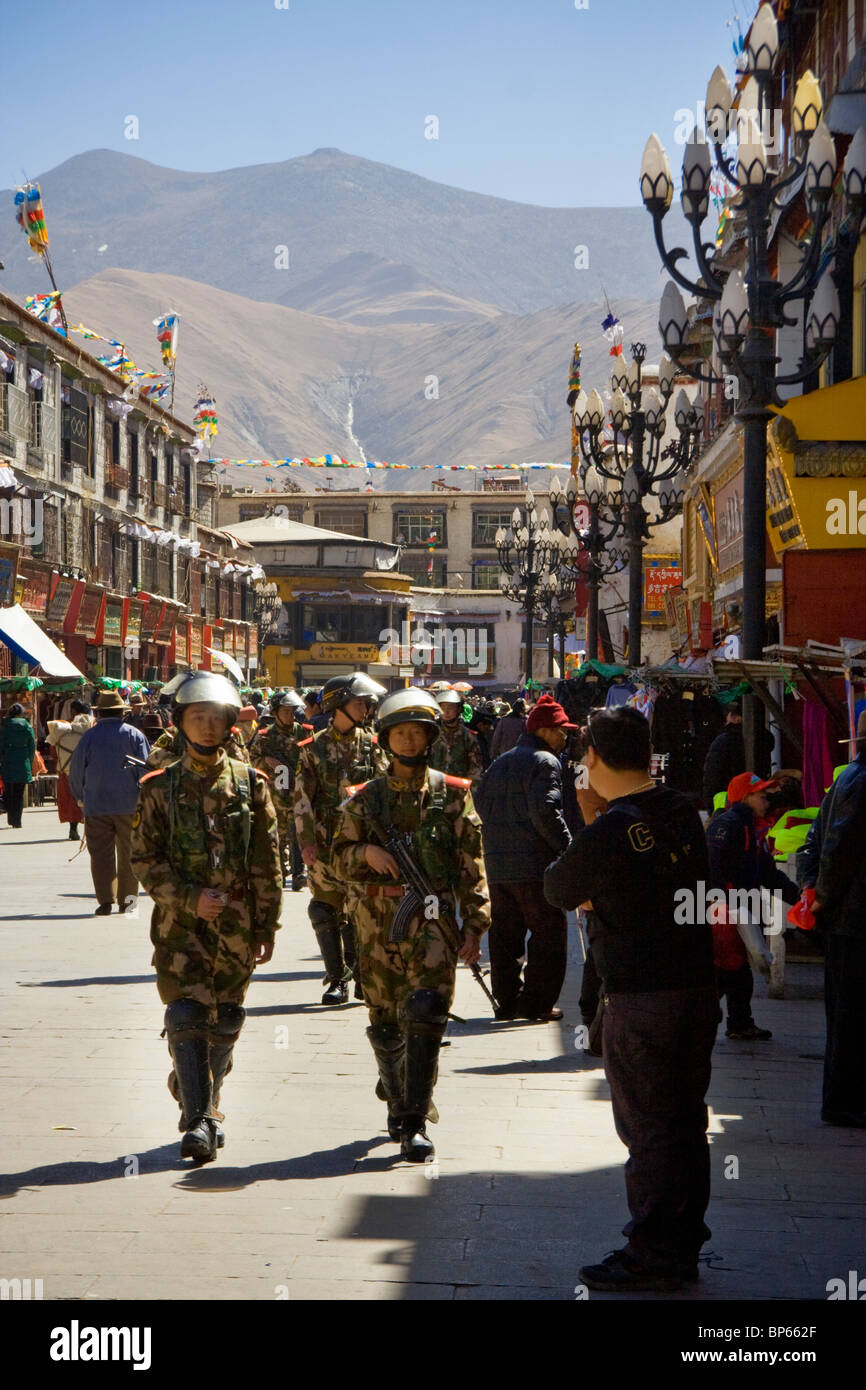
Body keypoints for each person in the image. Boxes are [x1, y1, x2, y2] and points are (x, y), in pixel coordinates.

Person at [544, 706, 720, 1292]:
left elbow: (559, 886)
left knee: (648, 1126)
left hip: (642, 998)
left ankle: (651, 1251)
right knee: (685, 1120)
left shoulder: (614, 829)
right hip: (696, 989)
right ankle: (682, 1238)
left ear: (592, 758)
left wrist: (592, 822)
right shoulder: (677, 808)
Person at [130, 671, 283, 1163]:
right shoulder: (158, 787)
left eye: (215, 719)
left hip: (237, 925)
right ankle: (198, 1120)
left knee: (228, 1020)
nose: (208, 727)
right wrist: (188, 898)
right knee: (187, 1014)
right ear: (181, 724)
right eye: (197, 718)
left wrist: (266, 925)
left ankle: (203, 1095)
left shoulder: (251, 785)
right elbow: (144, 859)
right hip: (180, 925)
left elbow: (268, 860)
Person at [332, 688, 490, 1161]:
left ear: (428, 739)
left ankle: (414, 1119)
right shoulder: (364, 799)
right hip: (378, 922)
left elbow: (471, 863)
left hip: (434, 921)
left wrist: (476, 924)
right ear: (385, 739)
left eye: (415, 733)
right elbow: (339, 859)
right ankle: (397, 1093)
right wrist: (367, 852)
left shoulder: (454, 794)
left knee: (425, 1011)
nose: (407, 741)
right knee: (385, 1021)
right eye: (399, 733)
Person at [474, 693, 573, 1022]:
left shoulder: (501, 761)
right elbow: (546, 811)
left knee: (505, 936)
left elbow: (481, 806)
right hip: (534, 867)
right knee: (548, 936)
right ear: (545, 730)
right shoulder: (546, 761)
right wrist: (569, 851)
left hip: (499, 867)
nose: (565, 736)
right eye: (561, 730)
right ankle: (536, 1004)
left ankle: (507, 1002)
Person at [294, 672, 388, 1004]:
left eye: (367, 703)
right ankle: (337, 980)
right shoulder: (312, 748)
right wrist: (305, 842)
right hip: (323, 845)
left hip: (363, 846)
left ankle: (361, 976)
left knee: (360, 911)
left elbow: (385, 793)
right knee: (324, 909)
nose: (366, 708)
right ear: (338, 704)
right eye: (359, 702)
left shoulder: (374, 746)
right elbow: (302, 799)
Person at [798, 711, 866, 1127]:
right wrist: (820, 898)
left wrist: (815, 895)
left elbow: (814, 845)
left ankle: (845, 1099)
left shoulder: (848, 778)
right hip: (854, 919)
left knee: (848, 1015)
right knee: (851, 1017)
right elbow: (836, 848)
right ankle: (843, 1103)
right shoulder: (859, 781)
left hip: (847, 918)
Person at [706, 772, 798, 1042]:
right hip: (726, 910)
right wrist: (722, 901)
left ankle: (738, 1023)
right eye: (762, 796)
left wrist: (799, 898)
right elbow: (712, 866)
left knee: (735, 970)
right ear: (745, 797)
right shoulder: (729, 825)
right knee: (729, 968)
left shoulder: (753, 828)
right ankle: (707, 1018)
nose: (767, 801)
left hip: (739, 908)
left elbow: (769, 875)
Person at [68, 691, 150, 914]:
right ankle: (128, 902)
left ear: (99, 713)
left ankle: (105, 901)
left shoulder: (89, 737)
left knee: (100, 854)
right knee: (130, 854)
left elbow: (76, 771)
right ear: (121, 713)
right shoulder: (135, 735)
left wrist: (80, 797)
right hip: (129, 805)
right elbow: (145, 770)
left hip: (96, 804)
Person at [250, 688, 308, 889]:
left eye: (292, 712)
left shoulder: (304, 732)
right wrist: (267, 761)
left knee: (298, 832)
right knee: (278, 833)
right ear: (275, 713)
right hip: (275, 792)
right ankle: (281, 872)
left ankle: (298, 873)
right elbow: (251, 761)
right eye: (285, 712)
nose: (290, 716)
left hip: (299, 790)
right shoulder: (265, 736)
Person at [46, 700, 94, 840]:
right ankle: (91, 829)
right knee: (90, 798)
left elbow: (54, 751)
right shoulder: (92, 728)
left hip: (66, 770)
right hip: (87, 771)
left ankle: (73, 829)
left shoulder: (63, 727)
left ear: (72, 711)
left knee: (71, 799)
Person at [428, 688, 484, 792]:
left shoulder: (468, 736)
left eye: (450, 707)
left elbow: (475, 768)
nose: (446, 711)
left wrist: (470, 792)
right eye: (442, 707)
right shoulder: (431, 733)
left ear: (459, 709)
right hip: (433, 790)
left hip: (459, 793)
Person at [702, 705, 745, 814]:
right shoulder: (761, 738)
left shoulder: (724, 740)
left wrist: (711, 806)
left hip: (726, 802)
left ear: (736, 718)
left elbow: (712, 775)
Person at [0, 702, 37, 829]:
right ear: (21, 714)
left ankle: (11, 818)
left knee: (9, 792)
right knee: (19, 793)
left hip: (8, 763)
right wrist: (30, 762)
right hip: (23, 762)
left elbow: (1, 746)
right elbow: (32, 747)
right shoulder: (27, 726)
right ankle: (17, 821)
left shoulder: (4, 727)